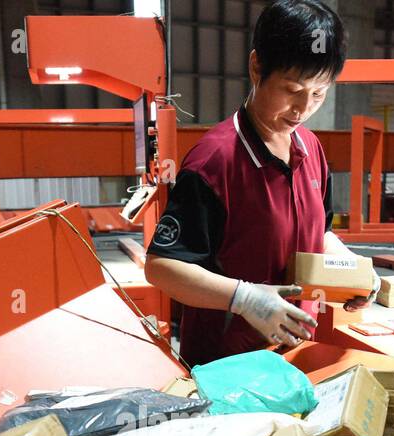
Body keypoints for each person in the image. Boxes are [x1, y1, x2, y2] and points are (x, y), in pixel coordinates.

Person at [144, 0, 378, 366]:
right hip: (227, 365)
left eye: (318, 93)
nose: (302, 109)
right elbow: (162, 267)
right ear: (256, 67)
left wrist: (354, 272)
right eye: (292, 89)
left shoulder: (310, 148)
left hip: (293, 352)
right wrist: (245, 298)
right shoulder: (215, 162)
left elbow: (321, 233)